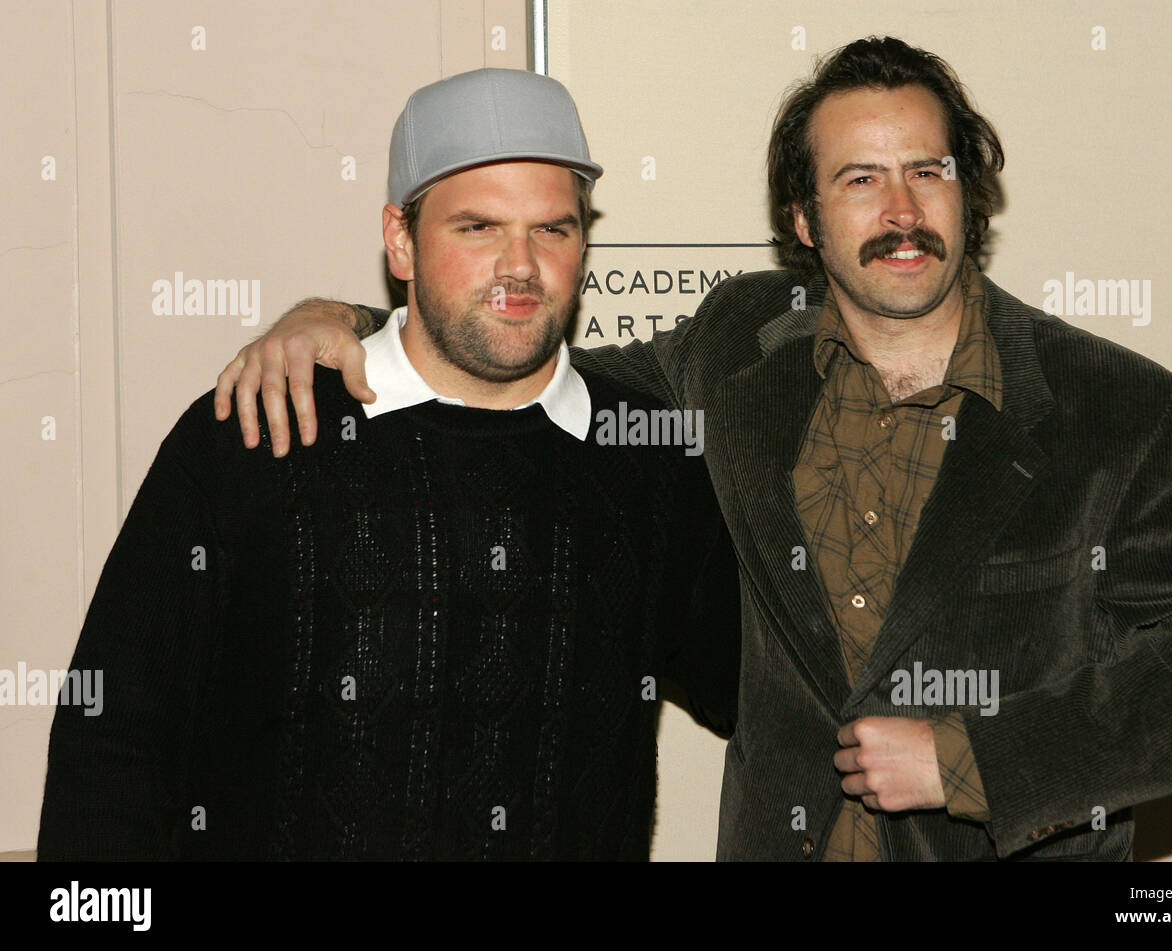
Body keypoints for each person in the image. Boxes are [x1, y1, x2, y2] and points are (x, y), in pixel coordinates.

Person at [213, 38, 1172, 861]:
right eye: (859, 180)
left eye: (929, 171)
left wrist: (971, 759)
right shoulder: (736, 353)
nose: (902, 209)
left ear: (971, 192)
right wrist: (352, 319)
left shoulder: (1121, 414)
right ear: (805, 222)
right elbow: (536, 367)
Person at [38, 68, 739, 861]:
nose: (520, 265)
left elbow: (765, 686)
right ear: (401, 241)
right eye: (477, 228)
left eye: (553, 228)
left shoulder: (647, 455)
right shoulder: (259, 426)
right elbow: (114, 739)